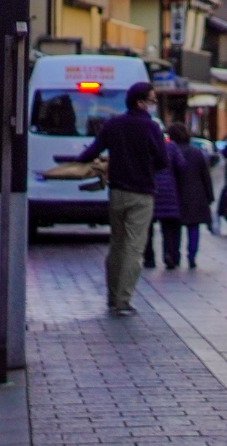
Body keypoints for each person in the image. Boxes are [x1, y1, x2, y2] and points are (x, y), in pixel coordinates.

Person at [77, 82, 167, 315]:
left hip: (116, 192)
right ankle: (122, 301)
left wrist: (78, 163)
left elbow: (91, 152)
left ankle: (112, 296)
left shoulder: (113, 124)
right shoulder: (151, 128)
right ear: (141, 102)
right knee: (133, 248)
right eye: (152, 100)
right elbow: (162, 161)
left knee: (116, 246)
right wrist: (145, 165)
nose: (153, 105)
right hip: (142, 194)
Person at [166, 123, 215, 268]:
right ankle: (191, 256)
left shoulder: (170, 152)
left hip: (175, 195)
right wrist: (209, 196)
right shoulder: (196, 152)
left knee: (175, 229)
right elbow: (205, 176)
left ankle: (174, 256)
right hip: (196, 196)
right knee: (193, 228)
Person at [144, 138, 182, 270]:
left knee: (147, 228)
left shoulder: (145, 146)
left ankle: (148, 258)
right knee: (169, 228)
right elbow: (181, 166)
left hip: (150, 190)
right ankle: (170, 255)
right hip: (169, 192)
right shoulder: (171, 147)